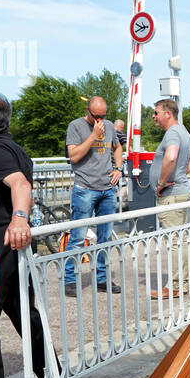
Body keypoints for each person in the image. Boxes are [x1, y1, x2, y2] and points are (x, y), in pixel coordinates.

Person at [0, 91, 50, 378]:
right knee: (23, 312)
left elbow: (20, 183)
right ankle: (52, 376)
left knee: (18, 312)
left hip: (1, 240)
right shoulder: (13, 148)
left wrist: (19, 218)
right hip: (13, 245)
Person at [64, 95, 123, 295]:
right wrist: (93, 136)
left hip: (107, 189)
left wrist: (119, 168)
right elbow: (74, 156)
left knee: (105, 237)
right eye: (96, 116)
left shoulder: (109, 126)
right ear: (87, 110)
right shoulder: (75, 126)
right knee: (78, 237)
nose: (100, 121)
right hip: (85, 188)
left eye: (103, 116)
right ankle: (69, 280)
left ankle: (102, 279)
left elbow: (117, 147)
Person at [149, 98, 190, 299]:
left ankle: (177, 286)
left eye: (156, 112)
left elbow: (171, 156)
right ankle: (181, 283)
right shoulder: (183, 132)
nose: (154, 116)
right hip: (179, 192)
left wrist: (162, 182)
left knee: (176, 241)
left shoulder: (172, 133)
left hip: (171, 195)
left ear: (167, 114)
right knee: (181, 240)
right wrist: (180, 174)